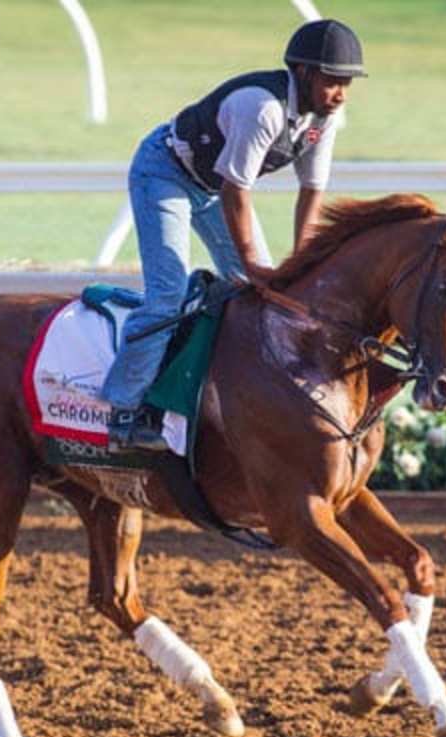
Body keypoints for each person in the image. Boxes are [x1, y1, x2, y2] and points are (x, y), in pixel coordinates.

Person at [100, 18, 364, 452]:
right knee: (167, 295)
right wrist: (253, 264)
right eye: (333, 81)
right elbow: (235, 191)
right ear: (303, 72)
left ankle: (227, 396)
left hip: (211, 187)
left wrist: (303, 261)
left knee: (263, 295)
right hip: (164, 172)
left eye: (346, 84)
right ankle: (124, 410)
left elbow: (311, 194)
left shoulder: (324, 120)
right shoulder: (262, 108)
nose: (341, 94)